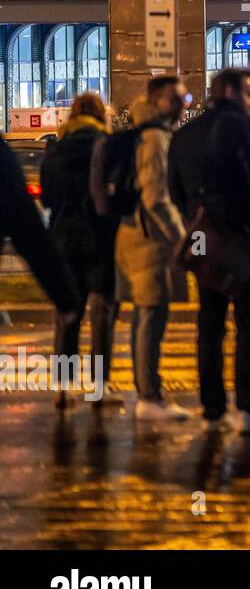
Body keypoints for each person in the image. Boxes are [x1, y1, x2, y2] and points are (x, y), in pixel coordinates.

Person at [168, 67, 250, 435]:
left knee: (210, 322)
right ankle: (247, 406)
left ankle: (213, 406)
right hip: (243, 238)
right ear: (233, 92)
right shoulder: (239, 127)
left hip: (205, 239)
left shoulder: (184, 135)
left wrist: (196, 221)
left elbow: (173, 191)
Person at [115, 75, 191, 421]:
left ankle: (147, 392)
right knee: (151, 314)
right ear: (157, 100)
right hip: (150, 241)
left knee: (146, 313)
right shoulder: (155, 139)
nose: (183, 105)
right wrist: (182, 236)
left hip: (136, 235)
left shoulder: (141, 132)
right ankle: (149, 396)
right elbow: (157, 197)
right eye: (177, 98)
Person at [41, 92, 119, 408]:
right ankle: (99, 388)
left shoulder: (55, 150)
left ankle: (63, 388)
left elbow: (46, 199)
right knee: (102, 316)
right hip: (100, 240)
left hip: (62, 240)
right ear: (101, 116)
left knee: (68, 314)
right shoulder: (107, 146)